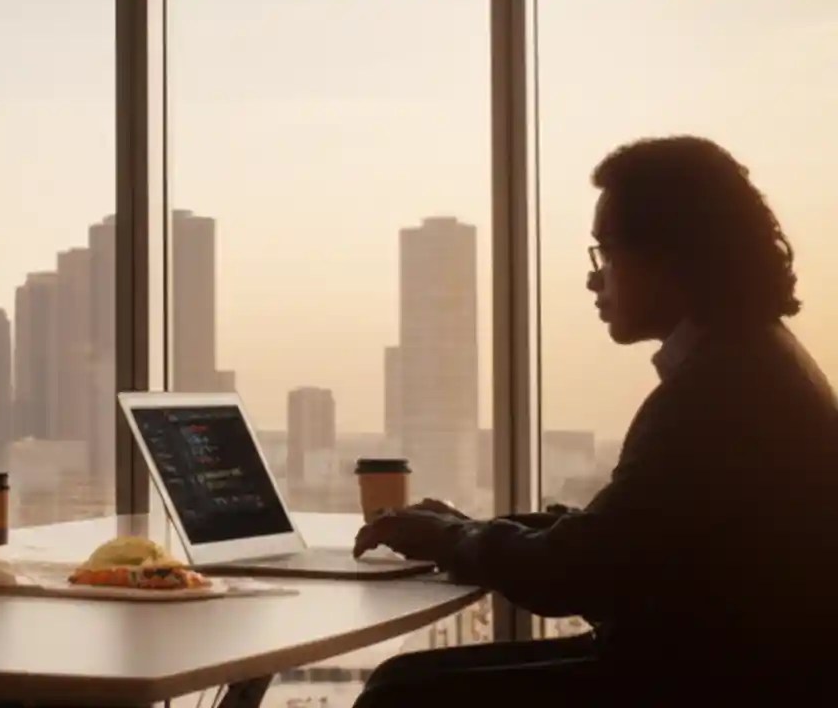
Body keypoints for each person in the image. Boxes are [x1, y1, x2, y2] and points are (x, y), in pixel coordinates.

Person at [353, 136, 838, 703]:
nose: (593, 278)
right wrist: (464, 531)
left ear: (671, 258)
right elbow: (626, 537)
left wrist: (455, 539)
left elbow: (580, 573)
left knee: (401, 697)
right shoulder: (754, 362)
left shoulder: (715, 393)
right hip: (726, 664)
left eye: (605, 253)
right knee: (401, 683)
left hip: (704, 681)